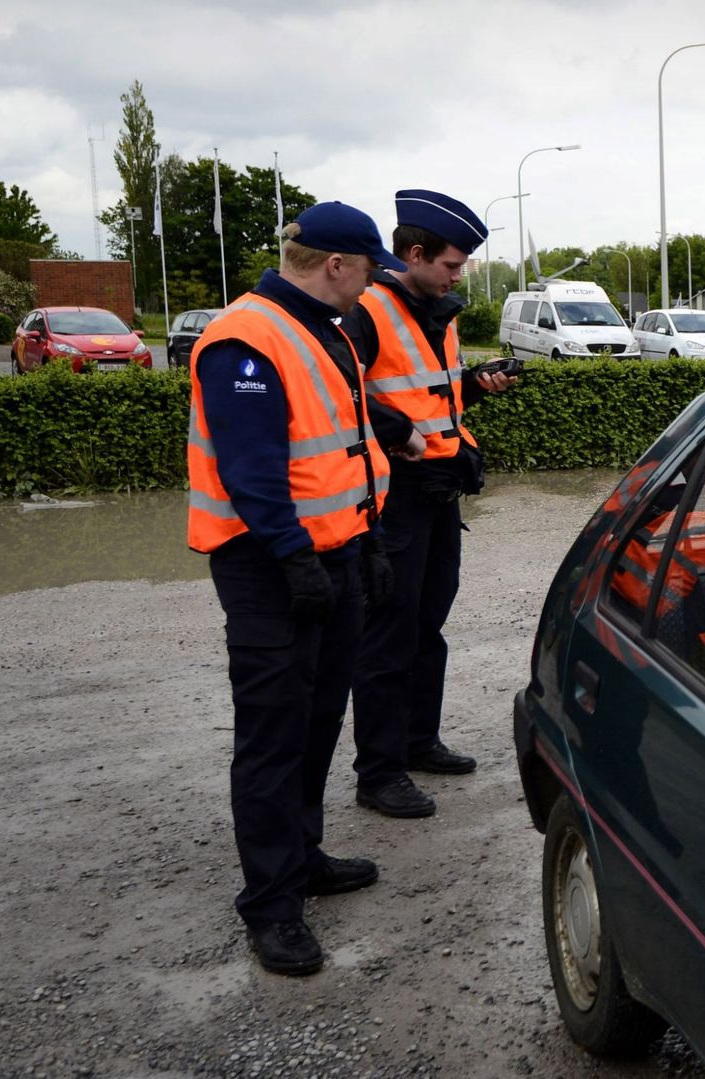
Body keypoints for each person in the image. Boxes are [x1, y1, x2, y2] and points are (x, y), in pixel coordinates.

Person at [187, 201, 401, 976]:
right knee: (274, 733)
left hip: (333, 554)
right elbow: (251, 471)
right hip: (269, 565)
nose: (374, 284)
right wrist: (293, 556)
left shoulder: (330, 332)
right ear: (335, 265)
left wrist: (369, 537)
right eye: (371, 269)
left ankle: (303, 854)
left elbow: (346, 451)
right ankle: (272, 906)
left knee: (318, 718)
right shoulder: (246, 337)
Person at [343, 190, 513, 818]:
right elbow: (343, 389)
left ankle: (418, 741)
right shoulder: (368, 309)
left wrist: (475, 381)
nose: (458, 274)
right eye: (451, 263)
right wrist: (398, 434)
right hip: (395, 494)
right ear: (413, 254)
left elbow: (426, 390)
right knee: (389, 632)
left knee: (427, 624)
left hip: (440, 489)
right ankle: (379, 773)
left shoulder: (437, 308)